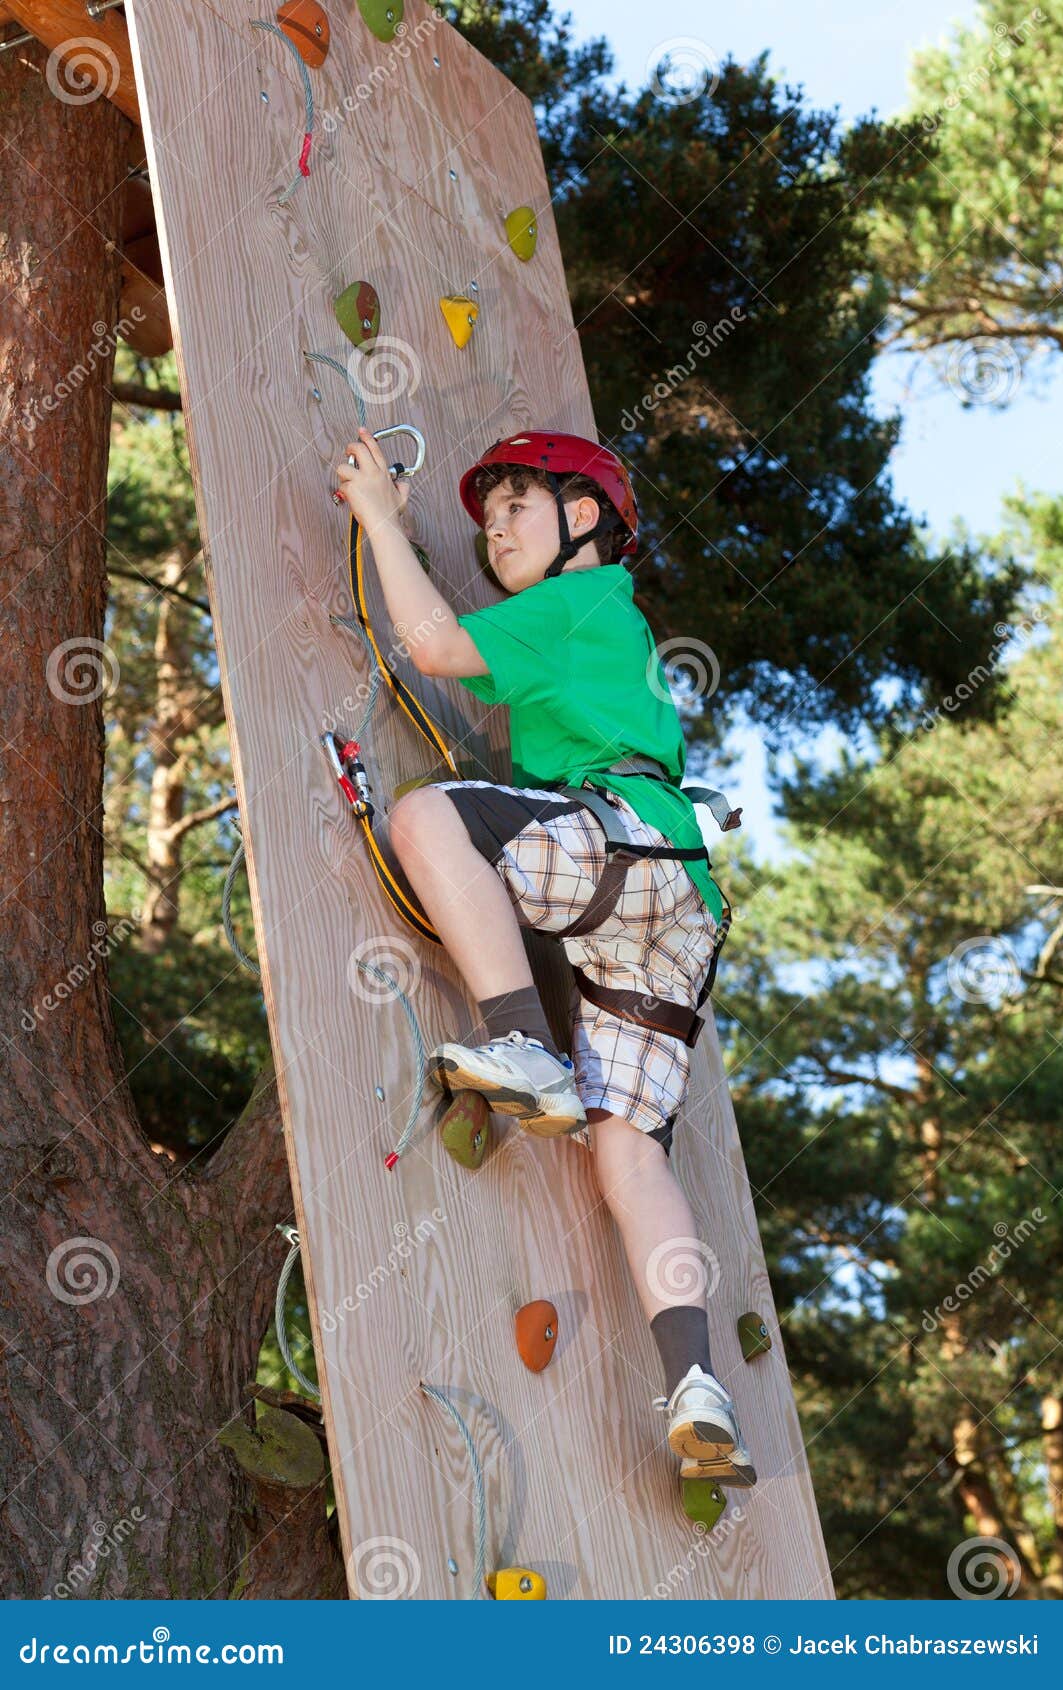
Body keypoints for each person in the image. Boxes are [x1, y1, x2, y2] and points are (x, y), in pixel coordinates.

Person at [335, 426, 755, 1487]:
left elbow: (432, 646)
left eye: (517, 504)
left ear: (586, 521)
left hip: (620, 838)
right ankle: (695, 1383)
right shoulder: (596, 625)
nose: (495, 527)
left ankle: (520, 1042)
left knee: (429, 820)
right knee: (627, 1154)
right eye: (485, 518)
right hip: (677, 906)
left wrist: (382, 516)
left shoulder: (583, 595)